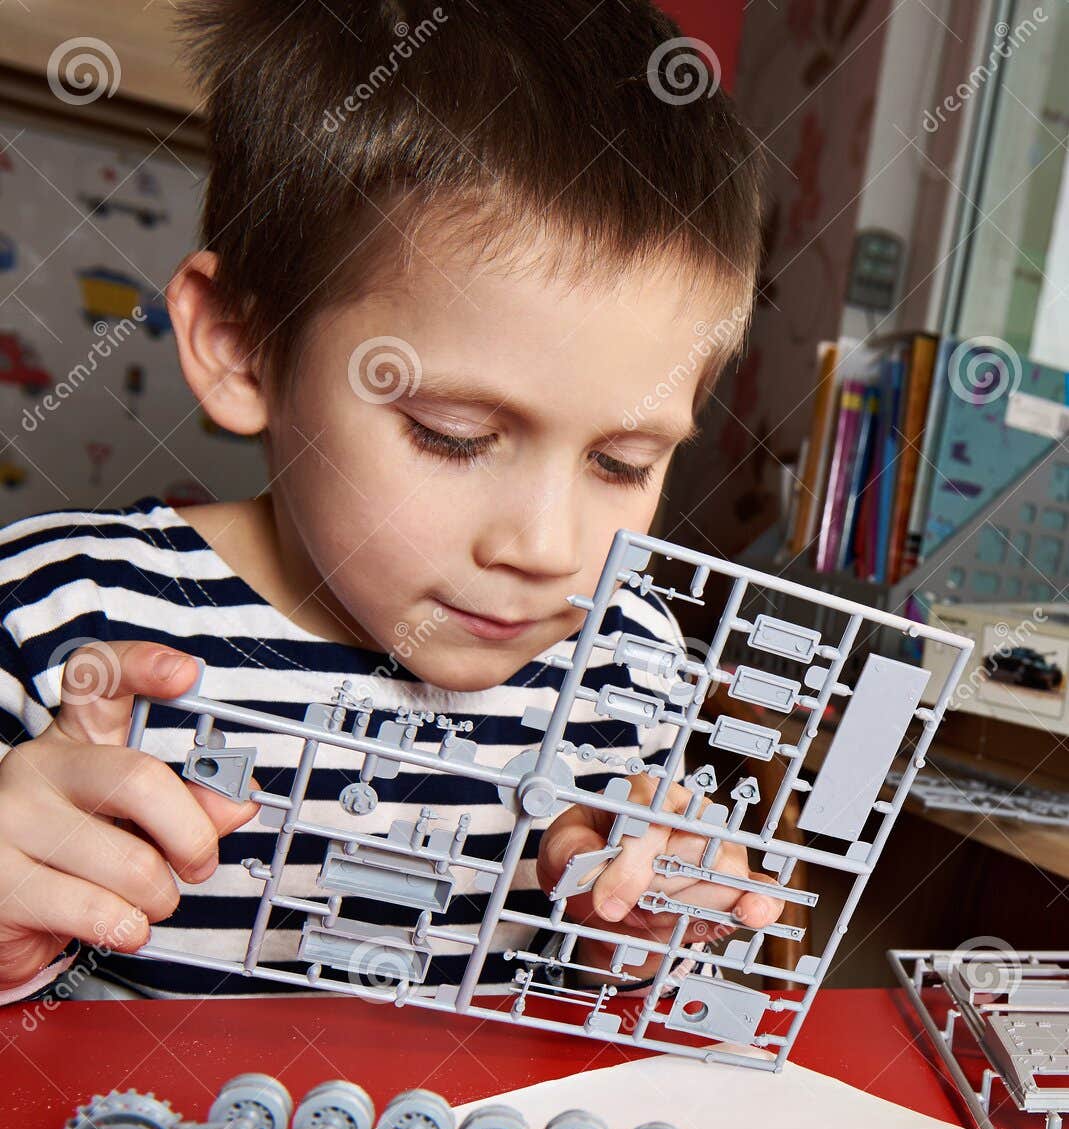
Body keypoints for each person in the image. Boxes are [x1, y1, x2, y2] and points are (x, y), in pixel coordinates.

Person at [0, 0, 783, 1003]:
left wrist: (639, 941)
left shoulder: (628, 664)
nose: (545, 547)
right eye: (450, 436)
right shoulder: (54, 616)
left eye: (621, 463)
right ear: (244, 345)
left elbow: (645, 999)